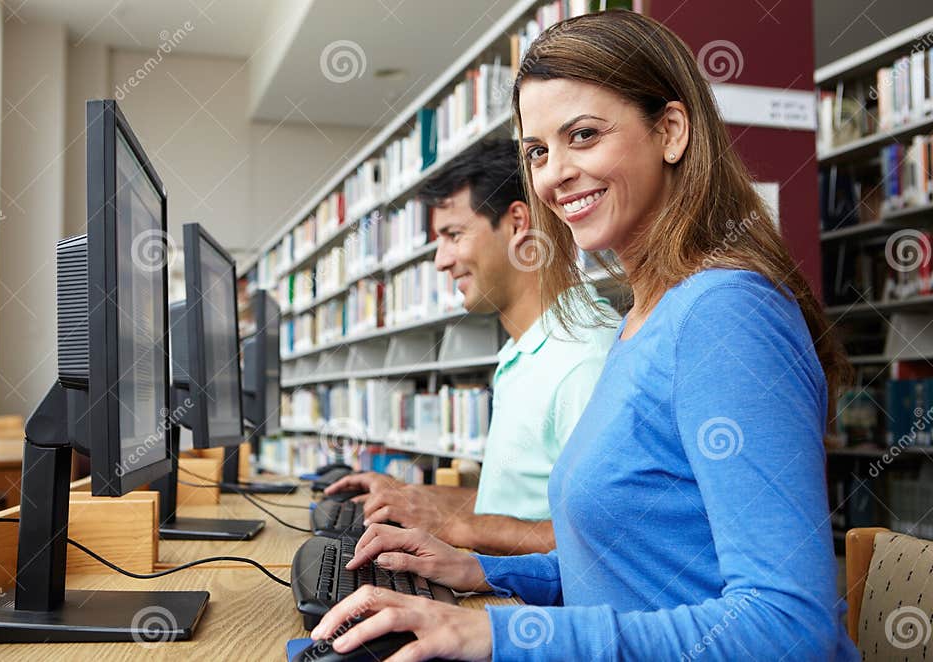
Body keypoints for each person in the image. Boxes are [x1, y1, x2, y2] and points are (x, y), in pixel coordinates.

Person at [309, 10, 859, 661]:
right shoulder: (641, 319)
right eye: (538, 151)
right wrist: (482, 574)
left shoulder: (725, 314)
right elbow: (634, 573)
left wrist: (499, 632)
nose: (554, 174)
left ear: (672, 131)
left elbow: (789, 628)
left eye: (584, 135)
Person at [326, 138, 618, 555]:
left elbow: (604, 538)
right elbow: (515, 508)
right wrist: (411, 498)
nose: (440, 261)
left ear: (517, 224)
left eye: (453, 235)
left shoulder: (584, 357)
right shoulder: (524, 352)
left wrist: (459, 528)